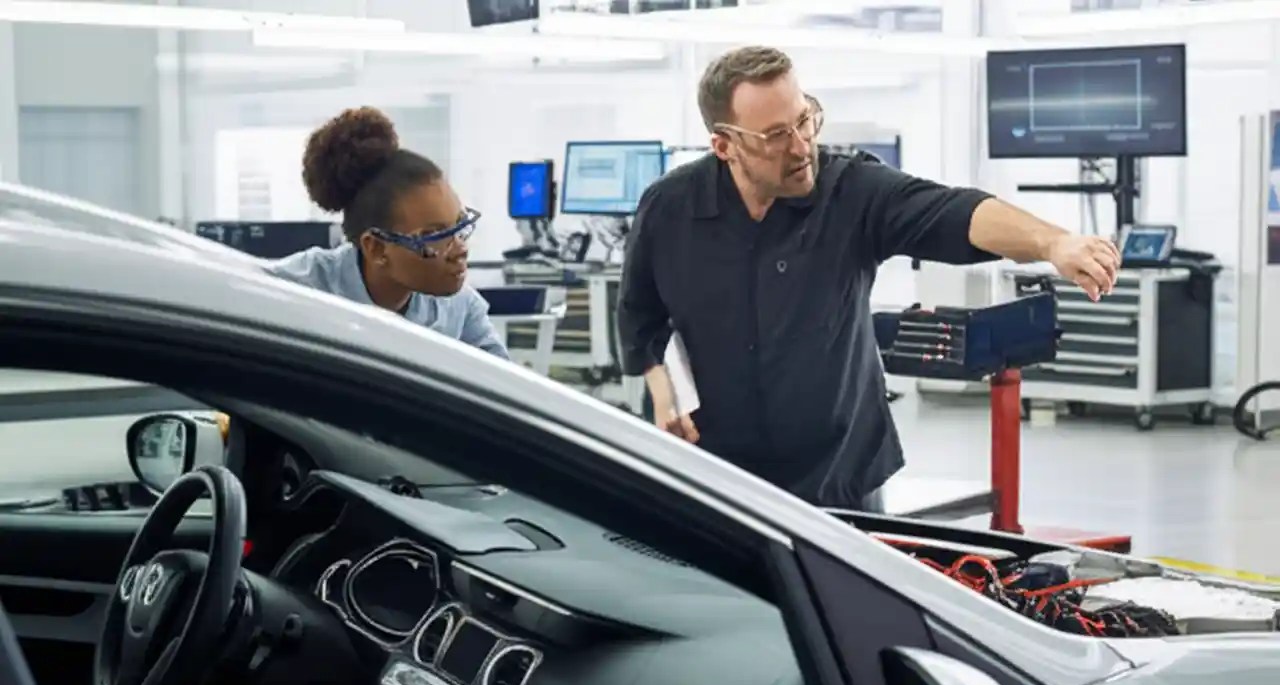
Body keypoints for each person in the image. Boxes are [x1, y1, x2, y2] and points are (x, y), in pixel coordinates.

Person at [617, 46, 1120, 512]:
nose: (801, 147)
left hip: (839, 476)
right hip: (716, 475)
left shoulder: (850, 191)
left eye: (804, 120)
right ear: (724, 145)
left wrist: (1052, 243)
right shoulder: (670, 208)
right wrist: (663, 394)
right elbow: (641, 319)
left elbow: (949, 211)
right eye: (775, 136)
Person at [266, 106, 508, 360]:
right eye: (435, 235)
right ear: (377, 248)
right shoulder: (295, 292)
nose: (460, 249)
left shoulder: (459, 308)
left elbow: (507, 387)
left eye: (460, 226)